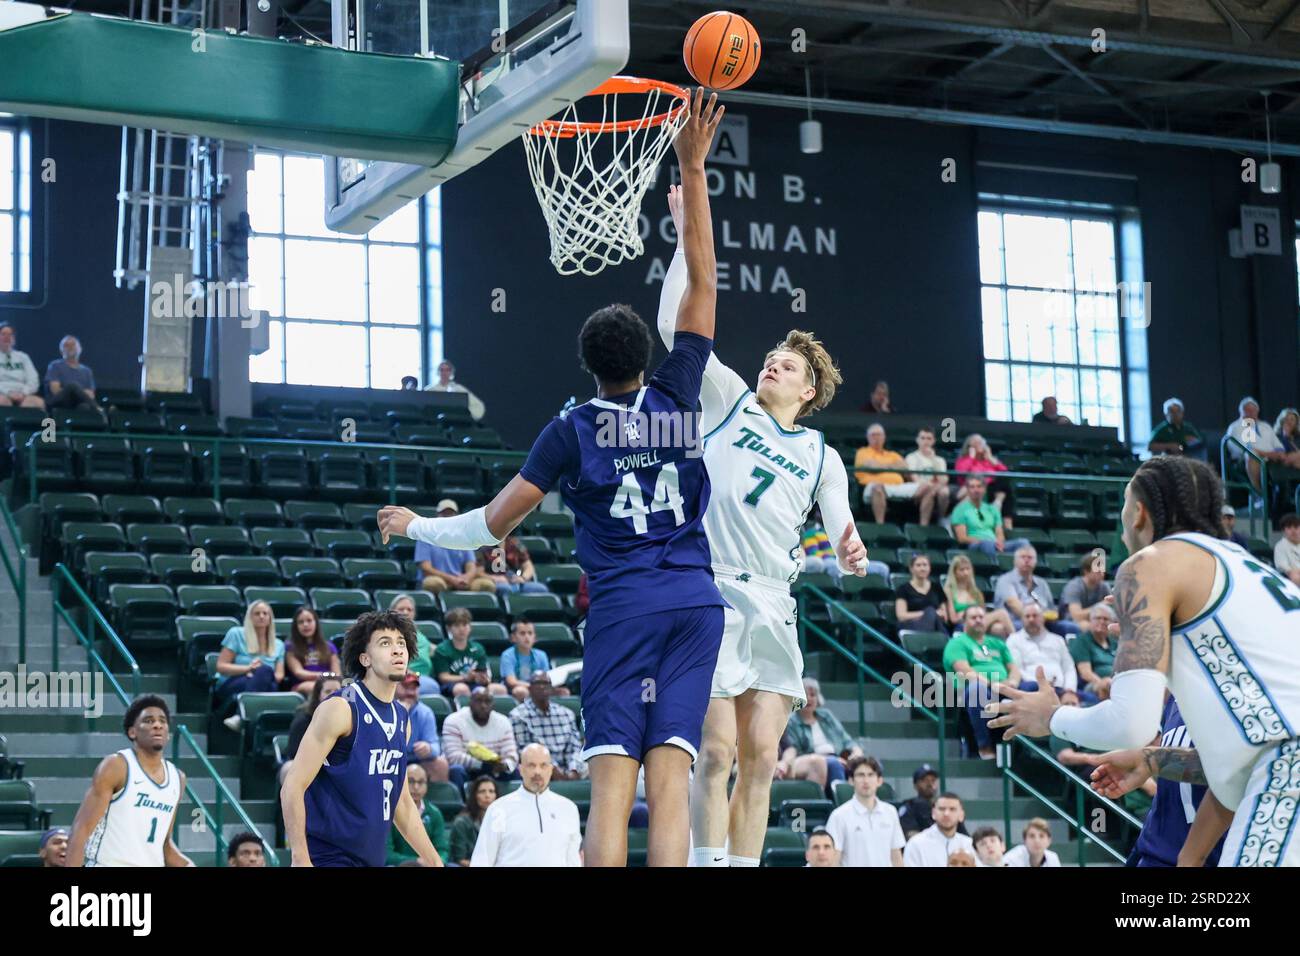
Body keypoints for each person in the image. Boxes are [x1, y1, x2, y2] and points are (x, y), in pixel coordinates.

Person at [378, 90, 727, 868]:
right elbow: (702, 282)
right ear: (647, 354)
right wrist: (693, 168)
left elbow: (491, 526)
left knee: (611, 789)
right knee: (672, 782)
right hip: (697, 605)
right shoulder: (679, 392)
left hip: (627, 610)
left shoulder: (568, 431)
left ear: (589, 366)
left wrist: (417, 526)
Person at [991, 455, 1300, 866]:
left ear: (1138, 513)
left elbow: (1131, 724)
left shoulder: (1149, 565)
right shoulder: (1249, 571)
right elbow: (1233, 767)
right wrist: (1153, 760)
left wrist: (1052, 718)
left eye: (1123, 505)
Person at [280, 611, 444, 867]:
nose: (397, 650)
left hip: (371, 858)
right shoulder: (340, 709)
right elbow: (292, 786)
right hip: (328, 856)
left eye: (401, 643)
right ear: (365, 658)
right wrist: (300, 857)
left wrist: (435, 861)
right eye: (385, 643)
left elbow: (402, 803)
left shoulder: (402, 719)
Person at [65, 694, 192, 867]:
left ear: (168, 734)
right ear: (132, 732)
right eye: (148, 720)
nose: (157, 725)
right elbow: (80, 831)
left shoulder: (178, 778)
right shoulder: (117, 765)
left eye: (162, 721)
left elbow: (165, 844)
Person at [1103, 695, 1224, 868]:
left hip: (1211, 854)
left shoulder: (1242, 696)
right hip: (1156, 848)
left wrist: (1151, 761)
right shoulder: (1175, 699)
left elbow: (1232, 770)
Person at [470, 743, 582, 866]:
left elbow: (573, 861)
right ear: (521, 770)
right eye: (531, 765)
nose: (537, 771)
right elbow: (482, 860)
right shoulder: (499, 809)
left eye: (543, 765)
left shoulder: (568, 809)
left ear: (550, 770)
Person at [942, 605, 1020, 759]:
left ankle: (1026, 747)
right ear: (964, 622)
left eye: (981, 617)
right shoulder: (957, 643)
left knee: (1031, 687)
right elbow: (965, 671)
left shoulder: (997, 643)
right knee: (977, 689)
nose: (978, 620)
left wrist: (1013, 683)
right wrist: (994, 685)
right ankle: (984, 746)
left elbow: (1014, 668)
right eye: (973, 617)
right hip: (973, 689)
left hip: (1004, 687)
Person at [778, 677, 862, 794]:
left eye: (813, 695)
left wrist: (857, 751)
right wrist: (832, 759)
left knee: (869, 765)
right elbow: (797, 752)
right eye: (805, 695)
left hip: (839, 757)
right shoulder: (791, 721)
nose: (809, 699)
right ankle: (840, 805)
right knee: (834, 765)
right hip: (816, 760)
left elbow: (846, 739)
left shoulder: (826, 716)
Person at [214, 600, 285, 730]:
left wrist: (259, 674)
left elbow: (279, 675)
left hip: (266, 684)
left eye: (265, 613)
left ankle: (240, 716)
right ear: (249, 617)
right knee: (265, 672)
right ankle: (243, 715)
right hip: (234, 682)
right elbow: (221, 666)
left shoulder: (279, 644)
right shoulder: (236, 634)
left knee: (265, 671)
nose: (262, 616)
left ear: (270, 618)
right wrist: (248, 669)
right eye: (257, 613)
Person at [823, 755, 905, 867]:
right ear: (851, 780)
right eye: (860, 775)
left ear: (879, 781)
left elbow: (896, 856)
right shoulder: (839, 816)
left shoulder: (891, 812)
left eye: (870, 775)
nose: (866, 781)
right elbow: (833, 860)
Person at [441, 686, 520, 789]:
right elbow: (453, 757)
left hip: (495, 770)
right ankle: (461, 804)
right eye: (478, 701)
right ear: (470, 703)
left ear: (493, 704)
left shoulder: (503, 722)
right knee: (456, 770)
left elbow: (511, 755)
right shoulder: (454, 721)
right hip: (469, 770)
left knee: (514, 771)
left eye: (487, 701)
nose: (483, 706)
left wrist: (505, 765)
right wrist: (482, 765)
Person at [510, 672, 584, 780]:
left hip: (569, 769)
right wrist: (551, 768)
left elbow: (575, 747)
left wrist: (574, 769)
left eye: (546, 683)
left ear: (551, 688)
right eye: (537, 683)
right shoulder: (518, 715)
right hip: (538, 768)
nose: (542, 686)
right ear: (530, 688)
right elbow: (523, 749)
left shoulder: (566, 714)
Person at [415, 499, 497, 595]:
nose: (447, 517)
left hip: (460, 579)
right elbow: (426, 568)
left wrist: (466, 577)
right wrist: (451, 579)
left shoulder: (463, 536)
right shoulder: (426, 535)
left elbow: (471, 565)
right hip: (440, 579)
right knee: (432, 583)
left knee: (486, 585)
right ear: (437, 515)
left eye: (450, 514)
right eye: (444, 513)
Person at [993, 546, 1078, 637]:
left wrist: (1050, 616)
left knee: (1070, 627)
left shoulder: (1042, 583)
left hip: (1044, 622)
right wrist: (1036, 618)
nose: (1026, 560)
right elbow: (1014, 605)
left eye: (1030, 558)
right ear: (1015, 561)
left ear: (1036, 561)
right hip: (1017, 621)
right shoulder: (1005, 580)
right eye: (1023, 557)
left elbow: (1051, 608)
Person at [855, 423, 926, 524]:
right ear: (867, 437)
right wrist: (892, 466)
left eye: (879, 435)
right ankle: (880, 525)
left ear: (884, 437)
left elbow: (904, 467)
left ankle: (923, 525)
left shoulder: (892, 454)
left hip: (898, 487)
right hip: (872, 486)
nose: (876, 438)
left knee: (927, 487)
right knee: (877, 488)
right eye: (873, 435)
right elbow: (872, 466)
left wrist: (881, 466)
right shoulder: (862, 452)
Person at [280, 672, 343, 785]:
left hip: (337, 766)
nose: (334, 695)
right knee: (289, 768)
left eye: (337, 691)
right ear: (318, 695)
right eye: (328, 691)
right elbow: (295, 754)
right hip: (307, 764)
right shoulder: (303, 719)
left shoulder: (350, 718)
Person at [1007, 602, 1080, 696]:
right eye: (1027, 616)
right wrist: (1043, 684)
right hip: (1031, 689)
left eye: (1035, 616)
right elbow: (1016, 669)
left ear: (1042, 618)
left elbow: (1069, 668)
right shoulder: (1014, 640)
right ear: (1022, 619)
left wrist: (1070, 690)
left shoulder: (1058, 640)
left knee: (1090, 699)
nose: (1031, 619)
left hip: (1060, 689)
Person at [432, 607, 506, 698]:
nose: (461, 629)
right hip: (452, 685)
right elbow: (443, 677)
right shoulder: (442, 649)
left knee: (500, 689)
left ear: (470, 627)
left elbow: (484, 674)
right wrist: (465, 678)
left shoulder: (478, 648)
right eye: (457, 625)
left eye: (465, 625)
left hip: (474, 684)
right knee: (461, 689)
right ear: (448, 629)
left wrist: (483, 679)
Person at [386, 762, 450, 865]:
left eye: (421, 782)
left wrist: (439, 861)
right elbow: (387, 854)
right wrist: (416, 862)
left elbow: (442, 849)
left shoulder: (435, 813)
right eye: (410, 781)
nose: (416, 787)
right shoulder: (389, 812)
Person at [951, 476, 1029, 558]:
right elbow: (962, 538)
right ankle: (996, 568)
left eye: (979, 486)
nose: (976, 490)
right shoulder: (960, 510)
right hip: (975, 545)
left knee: (1023, 543)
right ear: (968, 490)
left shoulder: (992, 509)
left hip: (994, 543)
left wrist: (1000, 543)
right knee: (987, 544)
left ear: (984, 489)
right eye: (972, 487)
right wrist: (982, 540)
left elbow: (999, 533)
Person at [1225, 396, 1288, 493]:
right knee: (1252, 456)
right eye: (1247, 410)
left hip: (1272, 458)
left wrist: (1279, 453)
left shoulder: (1265, 426)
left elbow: (1278, 445)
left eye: (1253, 410)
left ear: (1257, 412)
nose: (1251, 413)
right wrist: (1270, 455)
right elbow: (1245, 449)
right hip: (1247, 460)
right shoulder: (1235, 427)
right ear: (1241, 412)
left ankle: (1291, 497)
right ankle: (1260, 496)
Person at [395, 672, 450, 783]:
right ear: (395, 687)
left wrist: (428, 748)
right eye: (406, 687)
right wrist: (400, 716)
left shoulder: (425, 712)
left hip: (415, 759)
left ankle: (428, 800)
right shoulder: (385, 709)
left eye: (414, 688)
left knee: (440, 765)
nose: (410, 692)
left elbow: (435, 747)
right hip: (389, 759)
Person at [942, 553, 1014, 637]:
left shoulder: (976, 592)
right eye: (962, 570)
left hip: (979, 622)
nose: (966, 573)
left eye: (968, 569)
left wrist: (964, 612)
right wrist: (966, 614)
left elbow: (983, 613)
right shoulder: (949, 591)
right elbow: (953, 619)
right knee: (1002, 613)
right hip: (962, 626)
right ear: (955, 572)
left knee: (998, 628)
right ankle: (1017, 642)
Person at [895, 763, 969, 838]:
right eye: (925, 780)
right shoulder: (910, 807)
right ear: (915, 785)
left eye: (933, 780)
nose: (930, 784)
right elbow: (910, 834)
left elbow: (963, 834)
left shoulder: (947, 805)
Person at [500, 617, 563, 703]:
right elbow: (511, 681)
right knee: (521, 691)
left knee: (563, 692)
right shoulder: (507, 655)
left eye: (530, 633)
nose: (527, 637)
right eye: (522, 633)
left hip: (539, 687)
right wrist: (534, 686)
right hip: (516, 688)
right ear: (513, 638)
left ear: (535, 638)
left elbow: (546, 678)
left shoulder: (541, 655)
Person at [902, 793, 974, 867]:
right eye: (942, 809)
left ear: (961, 815)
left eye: (952, 809)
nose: (946, 813)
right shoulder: (916, 844)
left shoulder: (968, 844)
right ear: (933, 813)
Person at [282, 605, 340, 695]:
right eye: (301, 622)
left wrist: (326, 680)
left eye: (309, 621)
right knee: (317, 688)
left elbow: (337, 673)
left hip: (328, 684)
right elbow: (299, 672)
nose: (305, 624)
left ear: (316, 623)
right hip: (302, 685)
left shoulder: (329, 646)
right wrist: (323, 676)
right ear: (296, 626)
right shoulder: (291, 647)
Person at [388, 592, 438, 695]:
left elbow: (433, 649)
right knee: (432, 687)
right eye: (401, 609)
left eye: (409, 610)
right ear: (392, 612)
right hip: (403, 676)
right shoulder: (389, 634)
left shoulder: (418, 634)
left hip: (422, 677)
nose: (406, 612)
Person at [44, 335, 104, 415]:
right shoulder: (55, 366)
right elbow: (55, 390)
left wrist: (78, 393)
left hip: (78, 402)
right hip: (60, 401)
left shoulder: (87, 371)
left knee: (85, 407)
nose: (70, 347)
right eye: (66, 345)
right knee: (72, 386)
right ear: (61, 351)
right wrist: (75, 391)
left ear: (80, 349)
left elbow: (91, 394)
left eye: (73, 345)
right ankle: (98, 409)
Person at [895, 553, 950, 635]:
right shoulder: (903, 589)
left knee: (936, 620)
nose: (922, 568)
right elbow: (901, 616)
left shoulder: (937, 587)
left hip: (936, 624)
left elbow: (944, 615)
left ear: (929, 568)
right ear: (911, 568)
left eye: (925, 565)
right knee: (931, 611)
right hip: (912, 625)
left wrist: (933, 614)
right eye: (918, 565)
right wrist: (927, 614)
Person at [904, 427, 950, 525]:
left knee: (945, 492)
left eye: (929, 438)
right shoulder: (911, 457)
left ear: (933, 441)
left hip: (936, 488)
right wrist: (931, 487)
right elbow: (914, 478)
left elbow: (943, 479)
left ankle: (941, 518)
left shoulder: (940, 460)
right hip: (919, 488)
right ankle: (924, 525)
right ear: (917, 440)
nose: (926, 441)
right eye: (923, 438)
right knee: (929, 491)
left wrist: (933, 459)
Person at [449, 775, 497, 866]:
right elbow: (460, 859)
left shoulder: (502, 822)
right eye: (482, 791)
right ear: (474, 795)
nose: (487, 795)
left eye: (491, 791)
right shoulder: (461, 823)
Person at [478, 534, 549, 595]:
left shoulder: (515, 543)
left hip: (515, 580)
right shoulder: (481, 545)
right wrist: (494, 578)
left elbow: (528, 566)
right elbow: (477, 572)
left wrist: (523, 578)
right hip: (494, 582)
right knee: (505, 588)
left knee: (540, 588)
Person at [1072, 604, 1117, 700]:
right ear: (1090, 621)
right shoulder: (1082, 641)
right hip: (1093, 685)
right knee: (1107, 685)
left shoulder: (1115, 643)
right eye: (1097, 618)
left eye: (1106, 619)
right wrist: (1103, 682)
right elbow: (1086, 673)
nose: (1101, 621)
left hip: (1117, 682)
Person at [1059, 552, 1112, 626]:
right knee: (1086, 625)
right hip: (1072, 623)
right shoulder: (1074, 586)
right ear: (1086, 571)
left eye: (1103, 571)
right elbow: (1076, 616)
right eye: (1098, 571)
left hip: (1096, 621)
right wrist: (1101, 605)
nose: (1102, 574)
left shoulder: (1104, 586)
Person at [953, 434, 1007, 505]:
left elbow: (1004, 472)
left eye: (981, 442)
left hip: (988, 489)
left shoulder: (989, 460)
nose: (980, 445)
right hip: (968, 487)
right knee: (969, 494)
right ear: (970, 447)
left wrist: (990, 457)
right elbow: (962, 473)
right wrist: (971, 458)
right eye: (976, 443)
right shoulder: (963, 460)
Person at [0, 323, 44, 409]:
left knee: (38, 403)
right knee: (2, 401)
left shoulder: (23, 357)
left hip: (22, 393)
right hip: (2, 391)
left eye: (10, 334)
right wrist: (8, 392)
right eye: (3, 334)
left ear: (14, 339)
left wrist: (24, 393)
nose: (7, 337)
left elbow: (33, 379)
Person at [1274, 512, 1300, 586]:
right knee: (1294, 576)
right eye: (1289, 527)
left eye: (1296, 527)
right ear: (1284, 531)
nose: (1293, 530)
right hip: (1292, 580)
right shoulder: (1280, 546)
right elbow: (1285, 569)